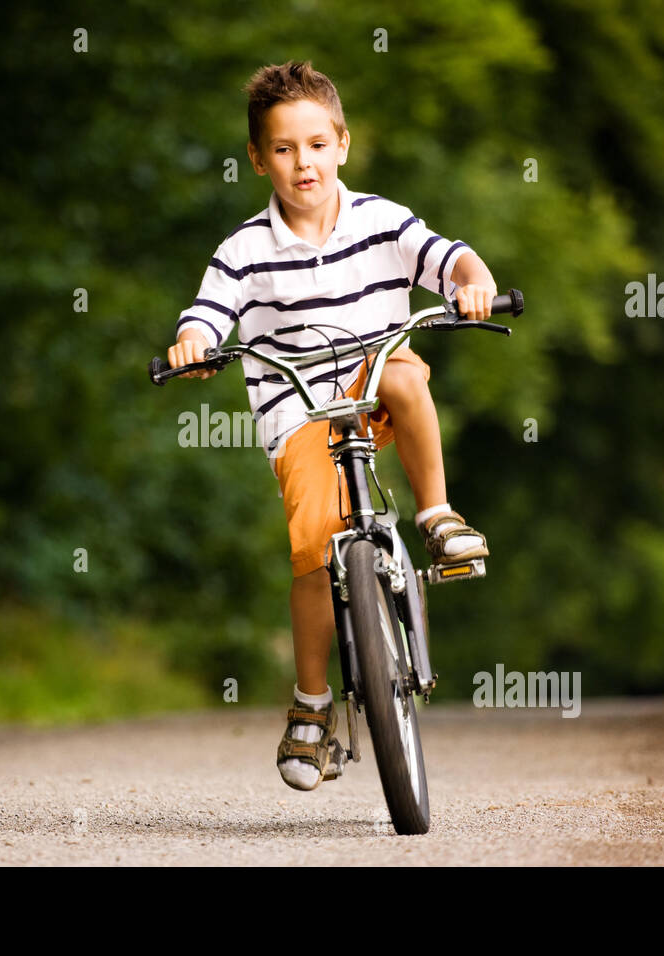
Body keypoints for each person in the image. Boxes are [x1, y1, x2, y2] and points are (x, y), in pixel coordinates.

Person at [168, 60, 498, 791]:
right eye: (283, 149)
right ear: (258, 159)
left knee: (407, 375)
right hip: (298, 412)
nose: (302, 162)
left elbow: (448, 257)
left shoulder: (382, 220)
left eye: (316, 144)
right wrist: (193, 344)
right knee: (315, 552)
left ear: (342, 144)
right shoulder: (243, 253)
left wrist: (472, 284)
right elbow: (208, 314)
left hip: (373, 383)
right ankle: (312, 706)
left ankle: (437, 515)